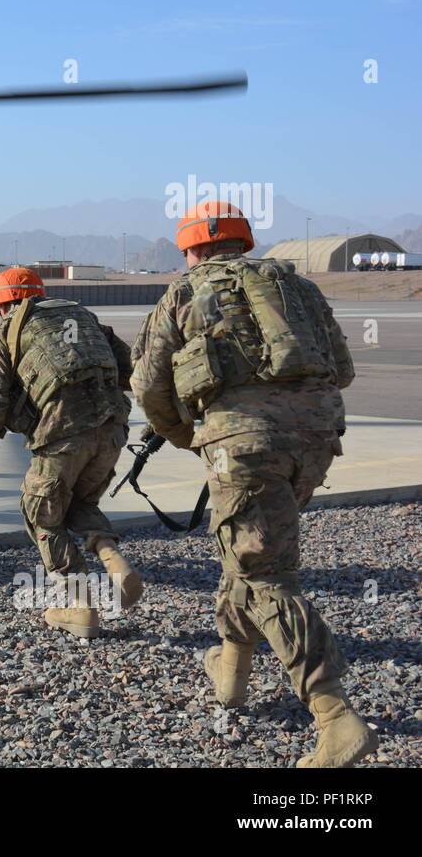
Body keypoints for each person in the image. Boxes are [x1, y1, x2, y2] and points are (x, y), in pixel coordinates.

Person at [131, 200, 375, 768]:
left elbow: (147, 385)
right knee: (245, 552)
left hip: (243, 446)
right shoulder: (299, 290)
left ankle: (334, 714)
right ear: (244, 242)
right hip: (316, 442)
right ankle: (232, 668)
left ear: (188, 249)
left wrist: (186, 434)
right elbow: (342, 369)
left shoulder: (182, 294)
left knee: (266, 573)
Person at [0, 267, 140, 639]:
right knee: (77, 502)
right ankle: (114, 561)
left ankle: (79, 606)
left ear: (1, 305)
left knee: (41, 512)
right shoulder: (84, 316)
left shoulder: (6, 332)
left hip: (63, 433)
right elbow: (132, 370)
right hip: (113, 428)